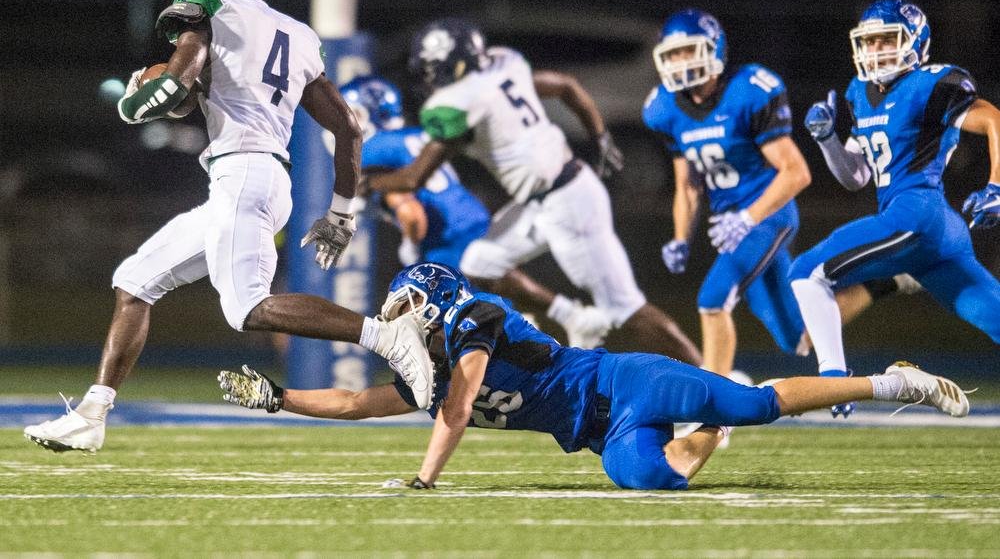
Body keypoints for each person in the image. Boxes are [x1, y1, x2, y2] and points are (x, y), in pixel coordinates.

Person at [24, 0, 433, 454]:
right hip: (262, 179)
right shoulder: (299, 35)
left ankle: (387, 336)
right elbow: (350, 129)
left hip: (243, 172)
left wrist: (133, 105)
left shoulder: (205, 1)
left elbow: (177, 80)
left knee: (245, 307)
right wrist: (340, 213)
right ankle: (92, 413)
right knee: (134, 281)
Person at [218, 262, 970, 491]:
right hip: (592, 431)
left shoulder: (474, 322)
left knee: (758, 403)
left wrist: (423, 480)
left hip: (626, 382)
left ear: (438, 302)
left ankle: (893, 381)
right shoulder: (430, 365)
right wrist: (281, 399)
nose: (399, 319)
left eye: (408, 306)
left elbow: (460, 405)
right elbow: (355, 400)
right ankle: (708, 428)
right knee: (655, 482)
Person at [365, 19, 700, 362]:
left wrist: (366, 183)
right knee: (480, 261)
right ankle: (572, 317)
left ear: (457, 64)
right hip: (544, 199)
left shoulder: (460, 102)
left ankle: (712, 375)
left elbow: (411, 179)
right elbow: (566, 86)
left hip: (569, 203)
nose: (430, 80)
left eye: (434, 70)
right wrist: (600, 137)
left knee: (626, 310)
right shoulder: (503, 66)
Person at [644, 9, 925, 384]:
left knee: (712, 300)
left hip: (767, 216)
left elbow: (796, 172)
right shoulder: (663, 108)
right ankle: (887, 280)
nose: (680, 63)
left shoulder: (747, 91)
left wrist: (746, 218)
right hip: (729, 223)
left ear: (714, 51)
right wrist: (681, 238)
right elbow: (688, 185)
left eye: (688, 51)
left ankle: (711, 407)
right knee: (799, 338)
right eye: (673, 54)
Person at [790, 0, 1000, 417]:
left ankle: (834, 382)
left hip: (917, 214)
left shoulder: (929, 83)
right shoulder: (860, 93)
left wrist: (996, 185)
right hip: (930, 235)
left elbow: (994, 119)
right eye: (869, 42)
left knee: (805, 272)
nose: (876, 51)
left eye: (888, 40)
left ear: (915, 42)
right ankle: (836, 381)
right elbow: (855, 177)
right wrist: (827, 139)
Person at [337, 75, 613, 347]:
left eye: (355, 113)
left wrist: (409, 244)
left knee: (462, 327)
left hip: (443, 238)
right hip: (469, 214)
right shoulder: (412, 135)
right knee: (495, 313)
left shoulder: (373, 151)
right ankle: (566, 323)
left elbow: (412, 215)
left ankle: (561, 337)